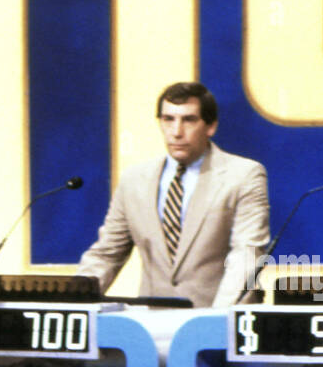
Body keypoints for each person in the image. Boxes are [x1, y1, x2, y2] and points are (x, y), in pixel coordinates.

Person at [77, 82, 269, 307]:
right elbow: (107, 254)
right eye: (168, 119)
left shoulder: (243, 175)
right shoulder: (134, 180)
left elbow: (246, 255)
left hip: (217, 322)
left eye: (189, 120)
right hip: (150, 323)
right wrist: (70, 301)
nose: (177, 132)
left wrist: (214, 322)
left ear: (210, 127)